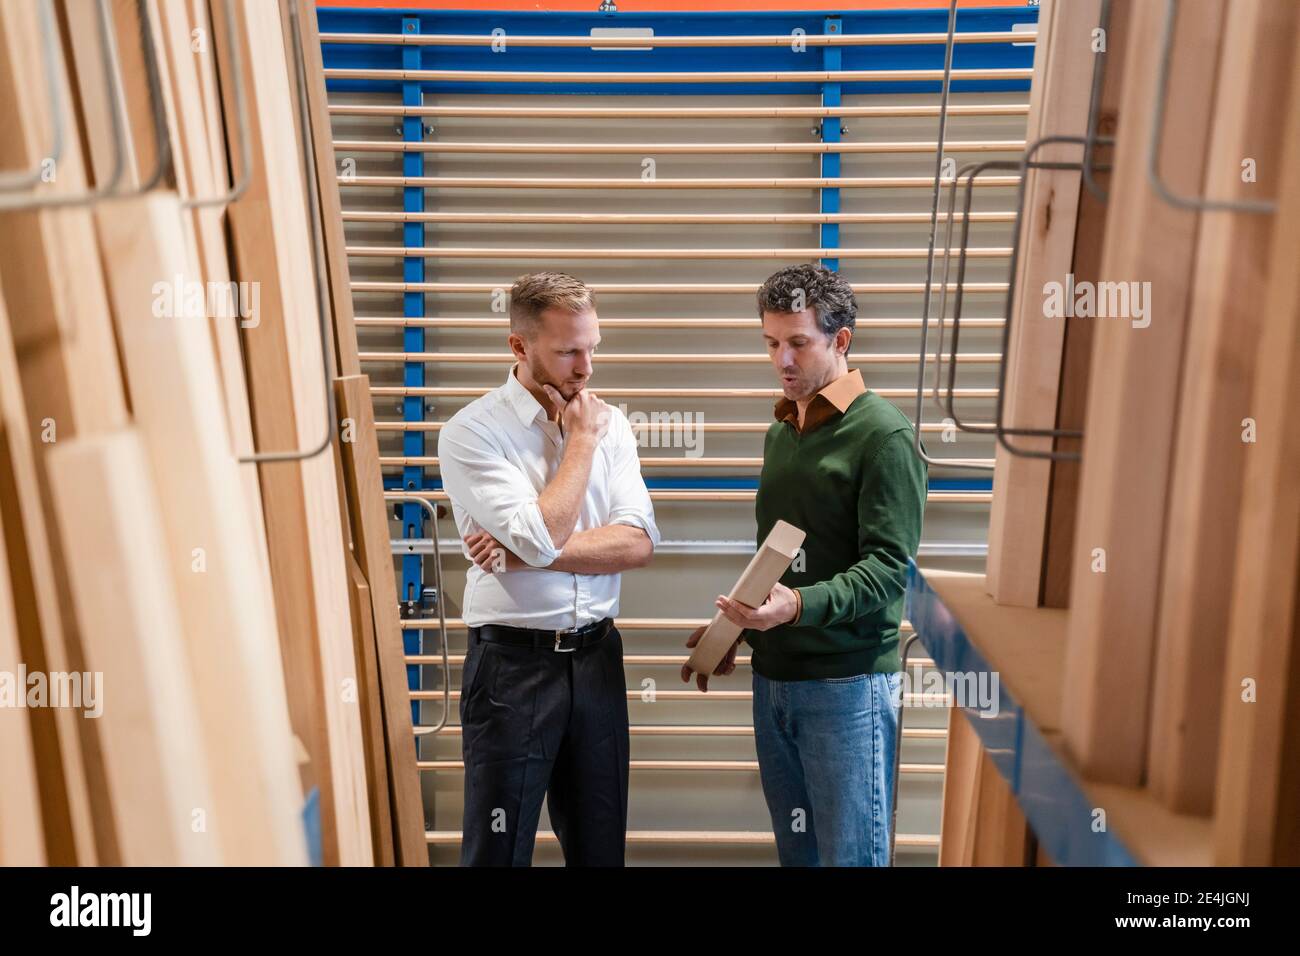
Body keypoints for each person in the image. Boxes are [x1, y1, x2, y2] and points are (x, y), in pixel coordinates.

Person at [683, 263, 927, 867]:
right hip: (777, 684)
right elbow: (779, 555)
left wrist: (796, 606)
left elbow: (889, 568)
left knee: (851, 859)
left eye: (798, 343)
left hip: (848, 688)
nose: (782, 361)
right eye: (771, 344)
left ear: (840, 341)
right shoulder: (783, 432)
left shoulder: (884, 435)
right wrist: (738, 625)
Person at [438, 272, 660, 866]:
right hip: (511, 668)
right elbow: (540, 530)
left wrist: (525, 552)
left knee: (599, 850)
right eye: (567, 351)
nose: (585, 367)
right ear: (519, 347)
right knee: (497, 851)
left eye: (592, 347)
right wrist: (581, 443)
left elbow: (638, 544)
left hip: (597, 662)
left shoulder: (615, 425)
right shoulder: (473, 432)